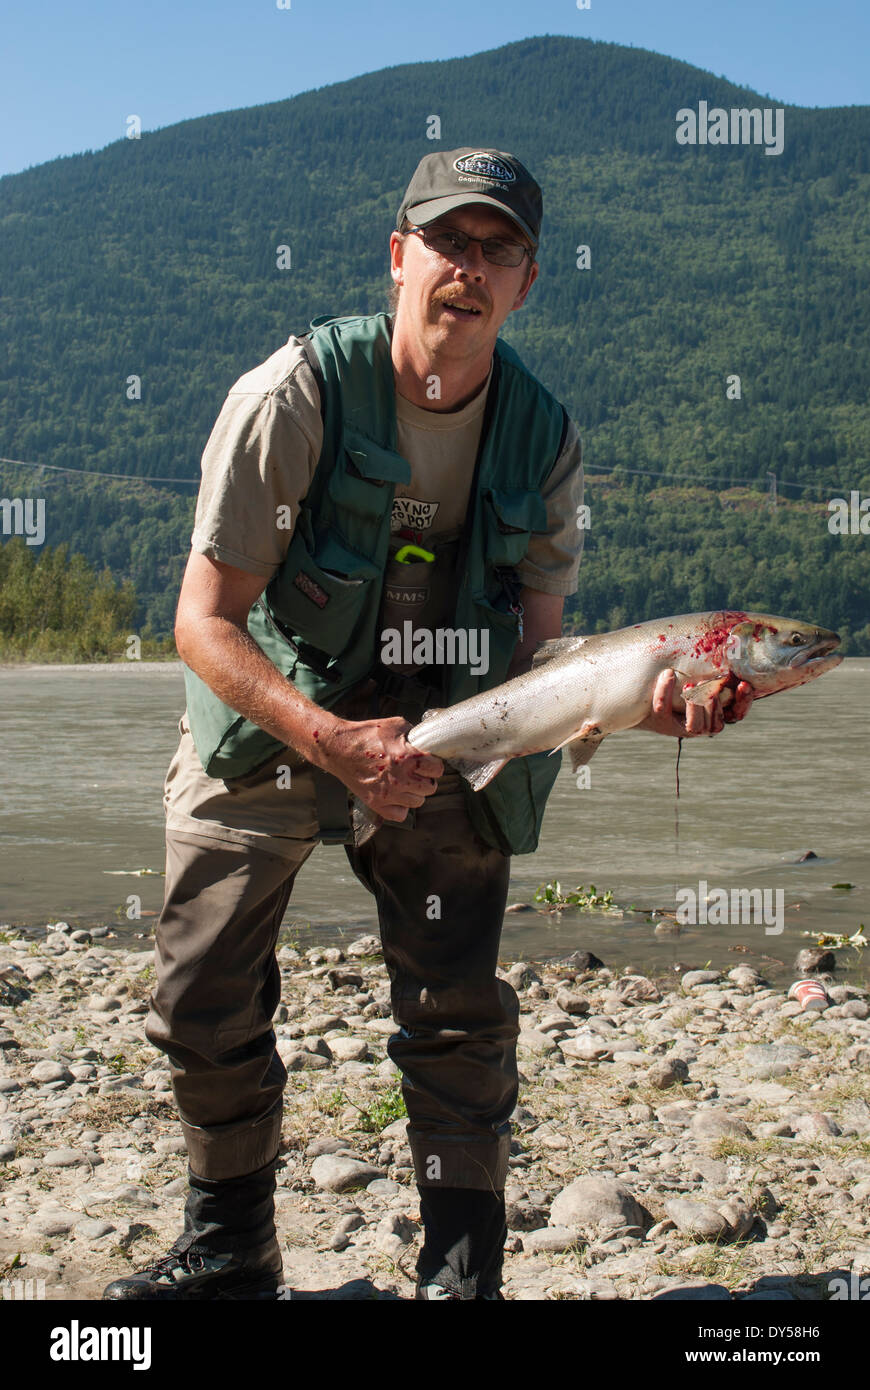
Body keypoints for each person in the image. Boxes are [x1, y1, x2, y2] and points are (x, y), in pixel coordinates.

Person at [102, 147, 753, 1303]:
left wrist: (646, 711)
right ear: (399, 257)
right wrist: (328, 738)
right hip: (274, 705)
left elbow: (544, 659)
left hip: (451, 727)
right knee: (200, 994)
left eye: (498, 250)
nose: (470, 267)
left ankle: (463, 1271)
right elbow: (202, 623)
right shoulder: (292, 397)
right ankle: (230, 1251)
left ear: (528, 283)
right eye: (448, 242)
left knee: (455, 1009)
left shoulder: (542, 438)